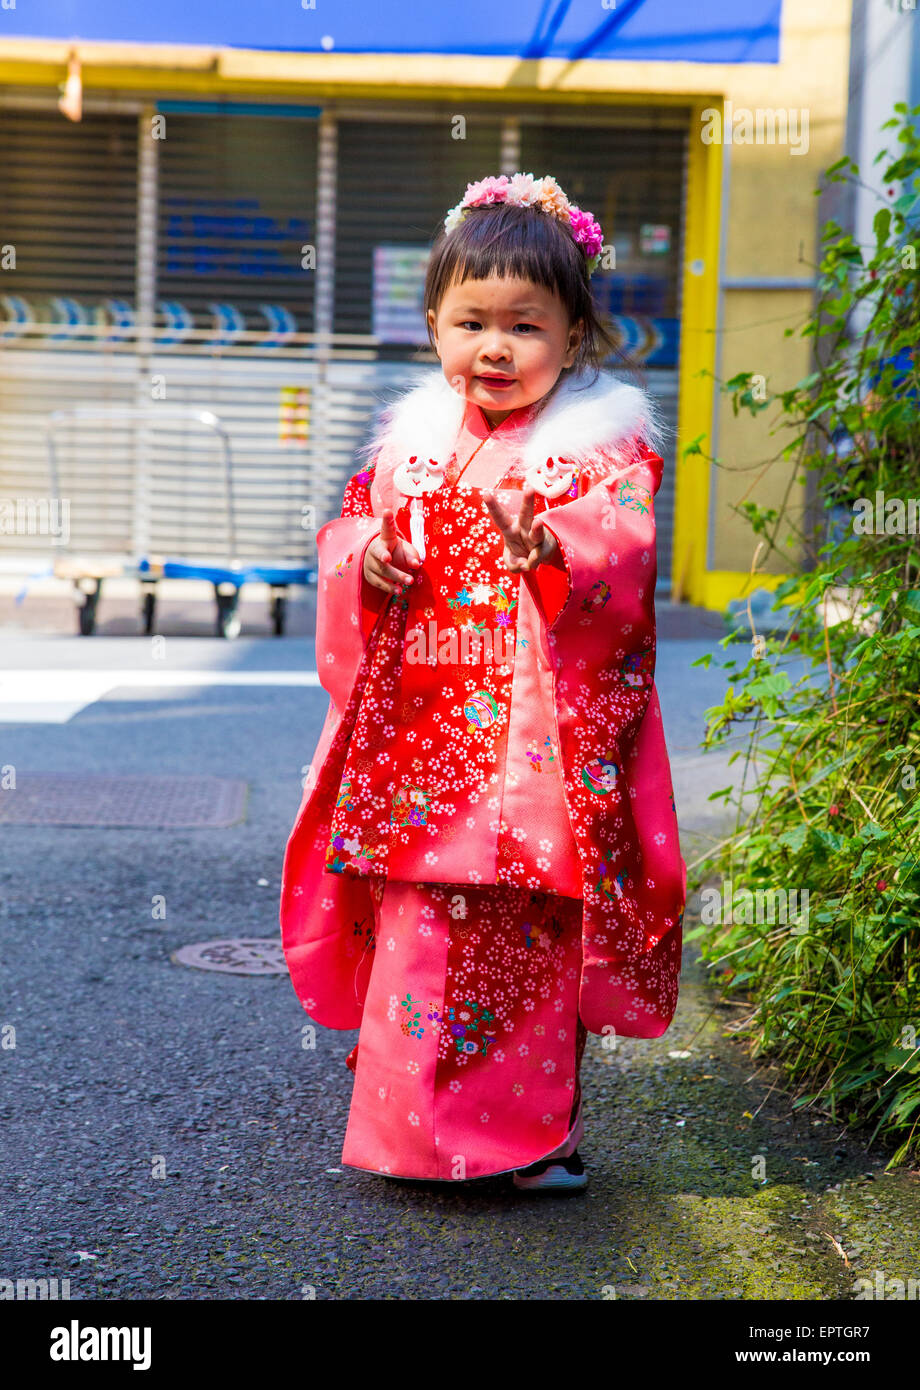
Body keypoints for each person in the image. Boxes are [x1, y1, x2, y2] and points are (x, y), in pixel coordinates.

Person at [279, 173, 686, 1194]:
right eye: (470, 321)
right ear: (431, 324)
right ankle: (404, 1136)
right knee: (419, 939)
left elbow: (621, 548)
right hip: (425, 745)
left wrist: (550, 540)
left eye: (524, 324)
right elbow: (350, 529)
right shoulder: (409, 449)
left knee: (528, 950)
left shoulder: (598, 453)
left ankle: (527, 1139)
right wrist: (365, 552)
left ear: (576, 332)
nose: (493, 347)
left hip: (533, 756)